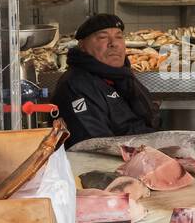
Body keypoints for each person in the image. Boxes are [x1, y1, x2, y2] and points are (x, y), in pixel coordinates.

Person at [51, 14, 159, 147]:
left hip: (144, 154)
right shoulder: (75, 85)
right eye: (103, 37)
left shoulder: (124, 77)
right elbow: (96, 145)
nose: (114, 43)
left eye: (119, 36)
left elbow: (153, 121)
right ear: (82, 46)